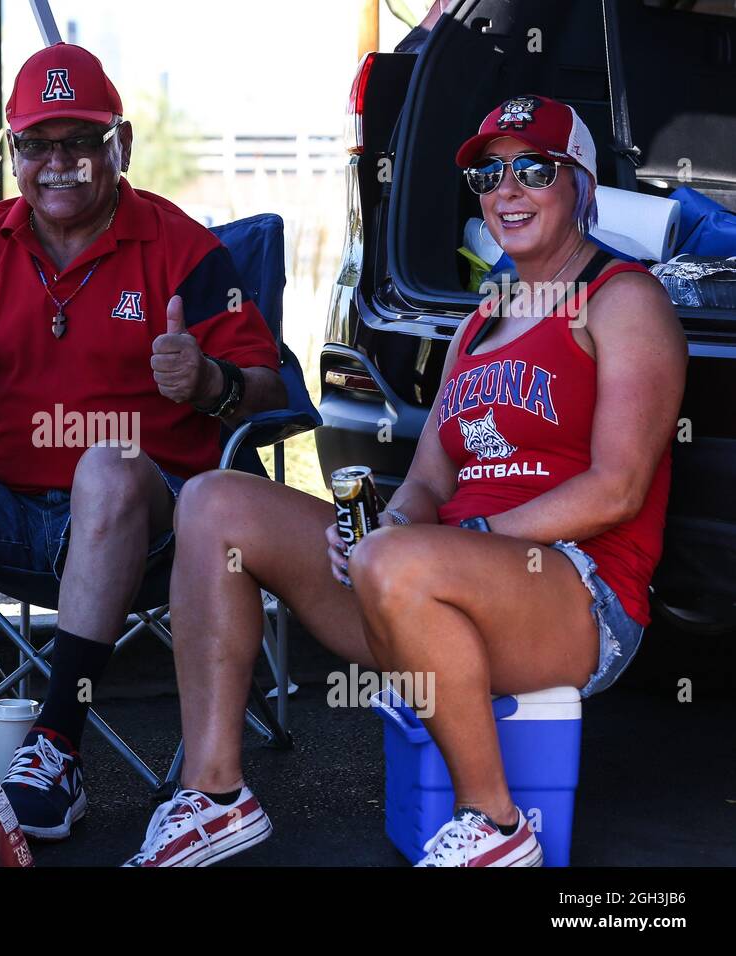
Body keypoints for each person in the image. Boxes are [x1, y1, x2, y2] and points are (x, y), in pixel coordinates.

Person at [125, 95, 687, 866]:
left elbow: (617, 489)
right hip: (434, 587)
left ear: (581, 183)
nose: (506, 190)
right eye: (488, 175)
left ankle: (495, 825)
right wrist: (387, 528)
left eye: (533, 168)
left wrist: (452, 543)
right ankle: (217, 795)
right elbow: (427, 479)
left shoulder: (625, 301)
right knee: (212, 500)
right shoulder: (478, 322)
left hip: (576, 598)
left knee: (399, 558)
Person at [0, 43, 286, 840]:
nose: (58, 163)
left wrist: (211, 381)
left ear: (121, 145)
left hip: (147, 527)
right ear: (12, 150)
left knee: (107, 466)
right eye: (37, 144)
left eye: (80, 141)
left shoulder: (182, 248)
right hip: (6, 515)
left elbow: (268, 390)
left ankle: (56, 744)